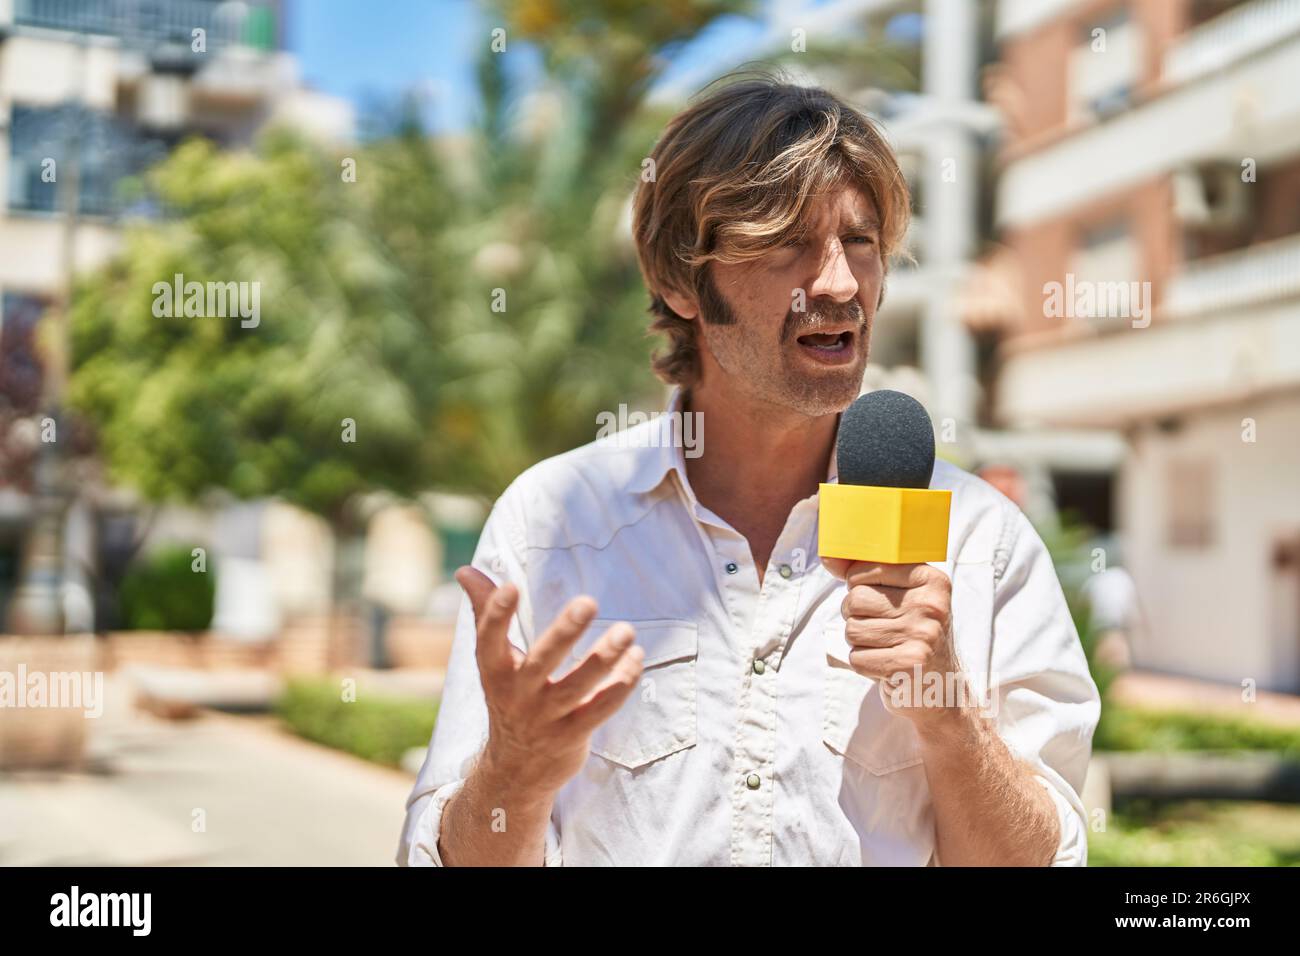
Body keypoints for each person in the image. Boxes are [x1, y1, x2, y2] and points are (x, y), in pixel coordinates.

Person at [397, 73, 1100, 866]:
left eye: (859, 242)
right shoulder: (552, 523)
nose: (839, 284)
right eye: (787, 243)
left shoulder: (982, 541)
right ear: (677, 280)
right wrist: (516, 774)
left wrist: (947, 714)